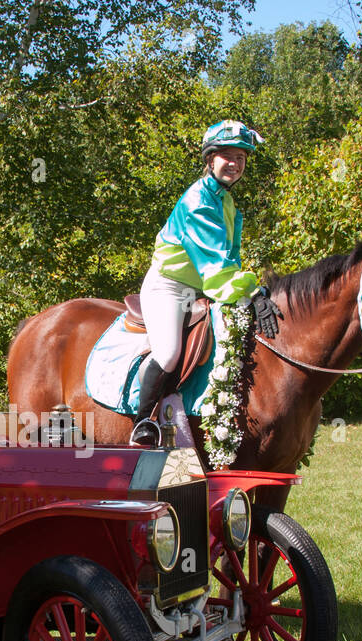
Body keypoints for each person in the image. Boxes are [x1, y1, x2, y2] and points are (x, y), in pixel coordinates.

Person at [132, 119, 279, 445]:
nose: (235, 164)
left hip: (204, 287)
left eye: (241, 158)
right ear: (210, 159)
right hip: (170, 287)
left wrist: (248, 291)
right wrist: (252, 291)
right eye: (228, 156)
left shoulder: (226, 202)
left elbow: (230, 261)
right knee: (169, 352)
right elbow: (216, 269)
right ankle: (142, 422)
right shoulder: (198, 201)